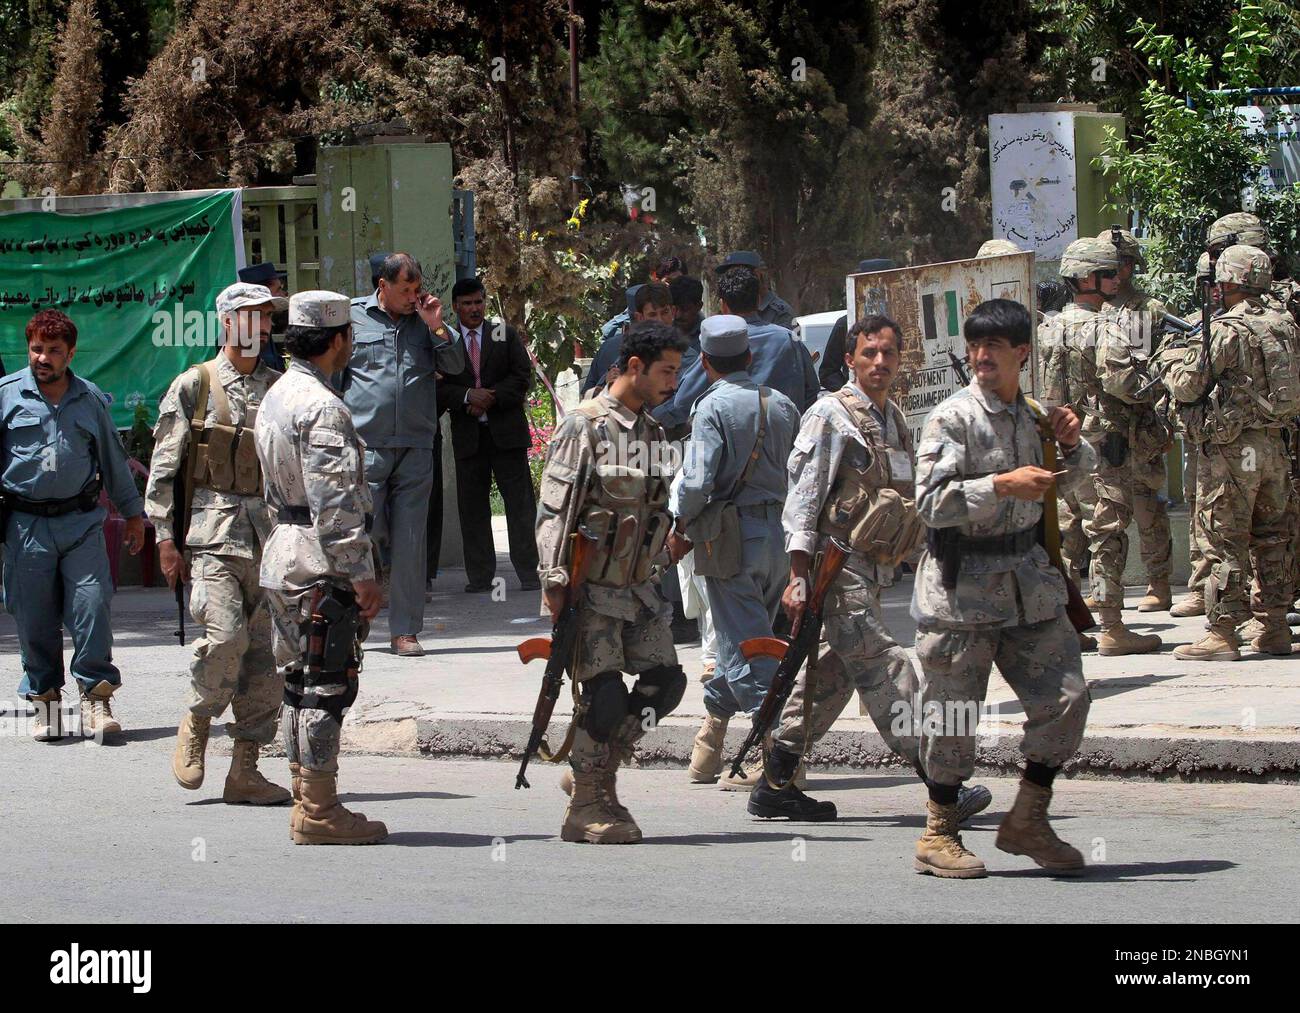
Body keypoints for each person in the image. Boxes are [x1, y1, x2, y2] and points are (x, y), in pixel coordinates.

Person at [747, 315, 991, 822]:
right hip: (835, 571)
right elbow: (804, 499)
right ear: (849, 360)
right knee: (886, 666)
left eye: (888, 354)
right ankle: (942, 781)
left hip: (873, 569)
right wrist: (797, 574)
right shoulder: (830, 415)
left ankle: (775, 782)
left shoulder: (894, 419)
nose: (879, 363)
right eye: (869, 353)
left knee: (831, 677)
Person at [912, 298, 1093, 878]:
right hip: (961, 587)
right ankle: (939, 830)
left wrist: (1070, 444)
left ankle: (1028, 819)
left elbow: (1077, 481)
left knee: (1066, 698)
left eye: (995, 346)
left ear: (1022, 352)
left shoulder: (1036, 414)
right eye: (975, 345)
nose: (983, 355)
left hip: (1028, 585)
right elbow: (930, 505)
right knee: (954, 715)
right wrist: (1000, 486)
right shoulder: (952, 418)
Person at [536, 320, 689, 844]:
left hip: (640, 589)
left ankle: (595, 769)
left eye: (678, 370)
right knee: (601, 698)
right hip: (592, 590)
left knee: (664, 686)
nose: (674, 381)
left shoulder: (655, 433)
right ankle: (585, 806)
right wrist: (554, 582)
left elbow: (656, 509)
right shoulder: (585, 426)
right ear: (633, 368)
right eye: (666, 371)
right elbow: (556, 508)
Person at [147, 282, 291, 803]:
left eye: (268, 318)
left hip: (271, 542)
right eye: (252, 317)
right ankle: (198, 719)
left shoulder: (281, 388)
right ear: (227, 323)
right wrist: (166, 540)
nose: (263, 326)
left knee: (265, 659)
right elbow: (164, 472)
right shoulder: (196, 386)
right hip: (213, 539)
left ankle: (245, 769)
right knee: (225, 638)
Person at [255, 290, 387, 845]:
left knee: (296, 682)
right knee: (326, 685)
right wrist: (361, 573)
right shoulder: (322, 406)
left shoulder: (276, 395)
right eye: (349, 336)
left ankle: (305, 798)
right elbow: (334, 502)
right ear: (336, 340)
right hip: (320, 560)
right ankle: (319, 809)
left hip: (284, 550)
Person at [667, 315, 801, 790]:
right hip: (779, 540)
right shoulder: (783, 405)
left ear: (704, 363)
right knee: (745, 639)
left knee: (747, 651)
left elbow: (698, 482)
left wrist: (679, 525)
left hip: (729, 541)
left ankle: (777, 760)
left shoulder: (710, 407)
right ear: (749, 358)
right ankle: (709, 745)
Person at [0, 309, 145, 741]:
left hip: (81, 522)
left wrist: (133, 516)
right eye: (37, 349)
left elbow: (114, 463)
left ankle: (97, 698)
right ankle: (46, 701)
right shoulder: (6, 397)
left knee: (92, 604)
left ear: (71, 353)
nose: (43, 358)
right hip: (24, 526)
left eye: (53, 351)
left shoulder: (89, 399)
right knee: (34, 617)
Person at [1163, 245, 1300, 660]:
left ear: (1228, 281)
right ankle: (1274, 626)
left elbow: (1189, 385)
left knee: (1223, 539)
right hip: (1276, 446)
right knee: (1274, 536)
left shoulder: (1226, 328)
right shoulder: (1286, 324)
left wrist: (1170, 360)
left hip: (1232, 452)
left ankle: (1223, 632)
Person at [1043, 237, 1165, 654]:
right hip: (1101, 445)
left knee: (1063, 537)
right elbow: (1121, 384)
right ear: (1085, 279)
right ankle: (1112, 627)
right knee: (1107, 533)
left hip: (1057, 446)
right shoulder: (1105, 326)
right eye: (1108, 273)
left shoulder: (1046, 327)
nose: (1116, 280)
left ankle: (1061, 625)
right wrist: (1155, 384)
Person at [345, 253, 464, 657]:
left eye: (416, 290)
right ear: (382, 285)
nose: (413, 298)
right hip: (367, 445)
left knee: (411, 539)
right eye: (404, 291)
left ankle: (405, 631)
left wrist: (437, 326)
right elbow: (336, 374)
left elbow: (457, 365)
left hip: (415, 444)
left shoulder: (426, 322)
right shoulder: (353, 318)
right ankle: (354, 619)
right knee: (363, 534)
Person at [437, 277, 540, 593]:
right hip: (469, 437)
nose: (474, 309)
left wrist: (491, 396)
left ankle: (530, 573)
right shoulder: (446, 340)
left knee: (520, 506)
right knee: (473, 508)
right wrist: (468, 396)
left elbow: (522, 376)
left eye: (478, 302)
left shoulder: (502, 333)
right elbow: (438, 387)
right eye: (467, 303)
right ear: (455, 307)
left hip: (507, 434)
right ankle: (480, 577)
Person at [655, 266, 817, 429]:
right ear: (758, 301)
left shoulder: (720, 341)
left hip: (735, 444)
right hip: (785, 442)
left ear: (723, 305)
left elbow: (683, 401)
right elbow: (811, 389)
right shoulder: (789, 339)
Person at [581, 281, 678, 397]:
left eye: (664, 312)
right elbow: (589, 398)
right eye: (652, 315)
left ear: (673, 312)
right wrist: (607, 387)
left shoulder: (685, 357)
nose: (660, 321)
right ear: (640, 317)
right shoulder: (616, 351)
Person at [716, 250, 795, 328]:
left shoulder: (781, 313)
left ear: (757, 275)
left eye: (739, 275)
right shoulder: (726, 307)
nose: (731, 280)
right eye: (728, 275)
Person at [239, 262, 290, 371]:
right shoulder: (245, 334)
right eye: (278, 289)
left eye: (268, 314)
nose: (283, 294)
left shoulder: (264, 328)